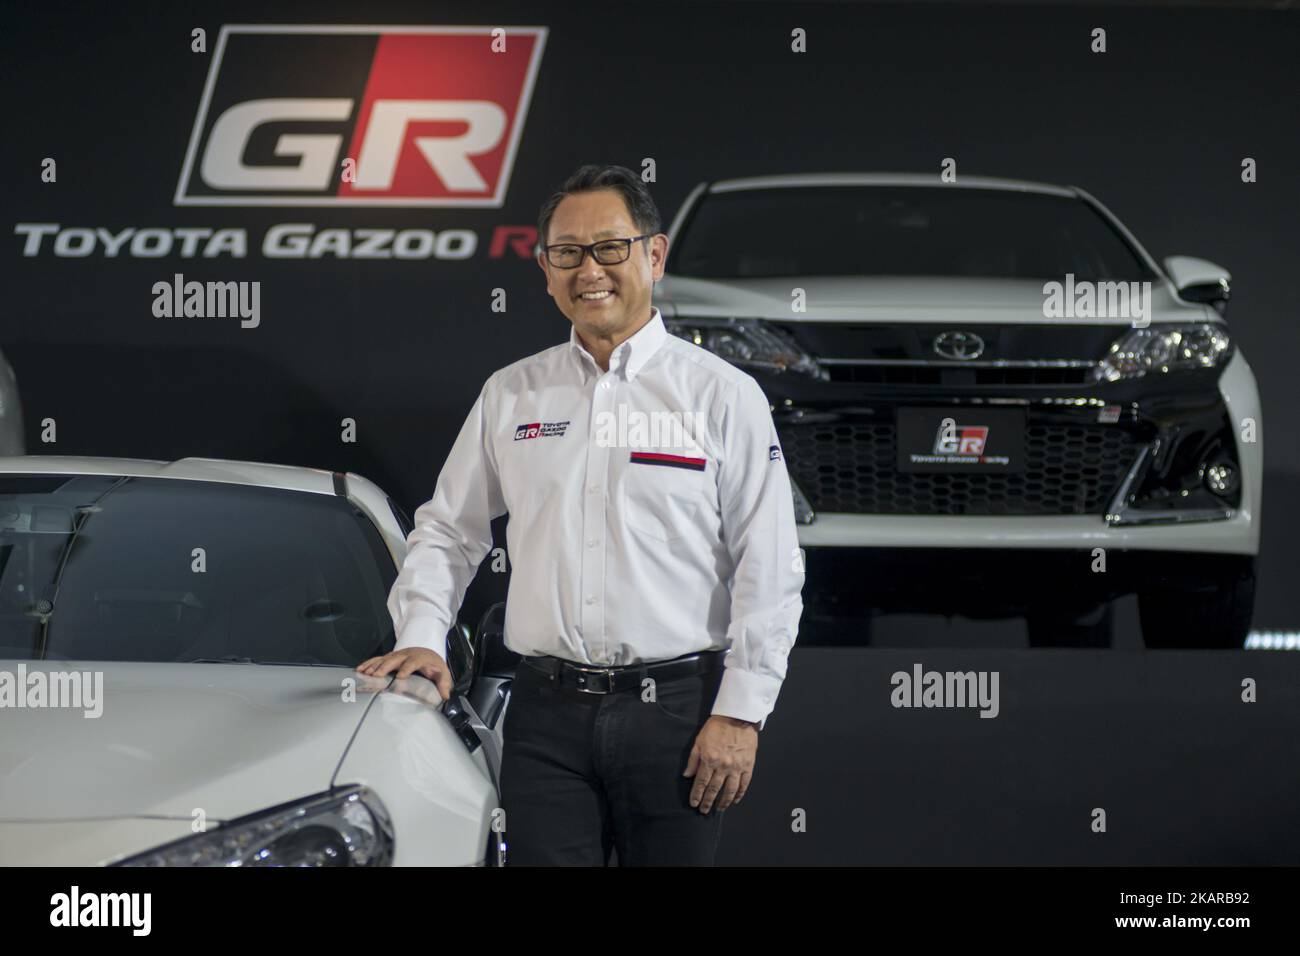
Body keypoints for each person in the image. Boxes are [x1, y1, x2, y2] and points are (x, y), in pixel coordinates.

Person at [358, 163, 803, 865]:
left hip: (680, 718)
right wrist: (422, 631)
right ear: (544, 269)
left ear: (653, 256)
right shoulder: (513, 394)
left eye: (609, 248)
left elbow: (769, 564)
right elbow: (449, 530)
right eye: (566, 252)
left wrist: (740, 711)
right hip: (544, 720)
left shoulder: (724, 396)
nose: (588, 269)